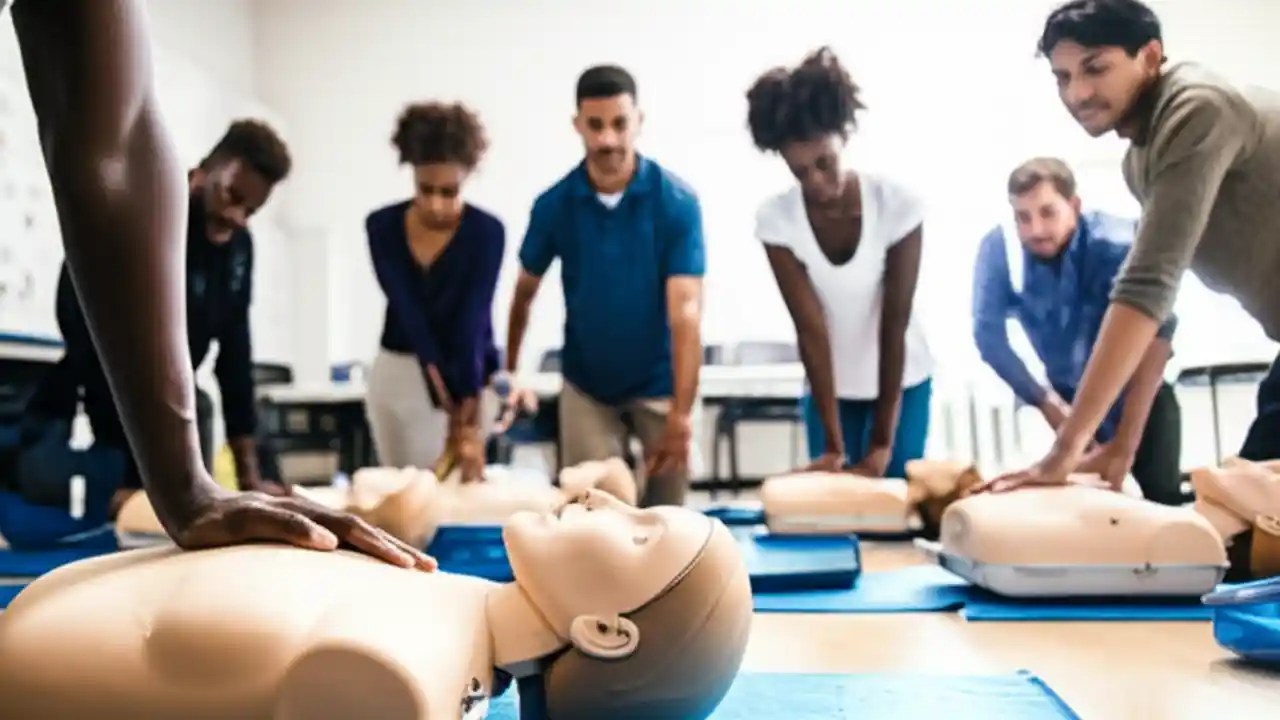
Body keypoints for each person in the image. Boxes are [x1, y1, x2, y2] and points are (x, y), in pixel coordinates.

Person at [5, 1, 430, 570]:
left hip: (164, 407)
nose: (236, 217)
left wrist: (219, 483)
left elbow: (235, 354)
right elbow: (87, 323)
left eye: (251, 210)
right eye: (232, 196)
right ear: (204, 170)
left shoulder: (237, 249)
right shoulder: (161, 219)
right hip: (93, 400)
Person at [0, 491, 752, 720]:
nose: (602, 499)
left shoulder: (400, 677)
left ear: (605, 632)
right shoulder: (435, 604)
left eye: (638, 531)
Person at [992, 0, 1280, 493]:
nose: (1078, 93)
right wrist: (1117, 452)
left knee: (1251, 513)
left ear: (1149, 57)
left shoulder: (1197, 107)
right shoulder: (1140, 164)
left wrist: (1061, 455)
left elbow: (1148, 288)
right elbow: (1155, 303)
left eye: (1096, 68)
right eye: (1062, 78)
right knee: (1250, 512)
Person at [504, 65, 706, 507]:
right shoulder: (553, 205)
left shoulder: (677, 203)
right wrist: (512, 371)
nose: (608, 139)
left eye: (619, 123)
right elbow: (524, 293)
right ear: (577, 125)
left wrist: (683, 417)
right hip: (587, 384)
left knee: (670, 522)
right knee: (592, 516)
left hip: (660, 383)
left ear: (639, 123)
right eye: (595, 125)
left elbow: (686, 315)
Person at [747, 47, 933, 480]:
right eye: (800, 171)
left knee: (894, 506)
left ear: (842, 136)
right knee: (832, 507)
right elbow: (811, 329)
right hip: (830, 390)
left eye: (824, 163)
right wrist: (833, 444)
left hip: (902, 384)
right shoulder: (777, 220)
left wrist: (882, 442)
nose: (816, 182)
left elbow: (894, 326)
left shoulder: (896, 206)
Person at [973, 157, 1182, 502]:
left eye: (1047, 212)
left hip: (1142, 400)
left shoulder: (1116, 243)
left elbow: (1159, 331)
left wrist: (1125, 444)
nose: (1035, 229)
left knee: (1161, 513)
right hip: (1069, 406)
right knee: (1082, 515)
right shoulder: (1000, 251)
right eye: (1022, 217)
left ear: (1074, 205)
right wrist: (1051, 407)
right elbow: (988, 337)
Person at [365, 102, 505, 482]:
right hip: (401, 369)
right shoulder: (382, 227)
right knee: (404, 496)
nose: (435, 204)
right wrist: (438, 384)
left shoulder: (487, 233)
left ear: (467, 178)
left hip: (470, 370)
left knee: (457, 495)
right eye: (425, 189)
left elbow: (473, 318)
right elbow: (408, 310)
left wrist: (466, 406)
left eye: (449, 191)